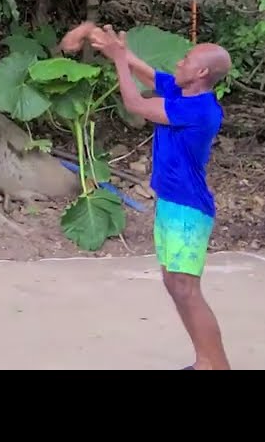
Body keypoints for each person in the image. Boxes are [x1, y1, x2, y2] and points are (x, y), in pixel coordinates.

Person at [89, 25, 232, 371]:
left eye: (186, 60)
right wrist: (118, 53)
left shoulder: (201, 110)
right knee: (174, 283)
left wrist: (120, 61)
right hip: (171, 203)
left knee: (186, 288)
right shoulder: (183, 93)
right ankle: (205, 362)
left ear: (201, 73)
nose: (178, 63)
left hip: (188, 208)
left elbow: (135, 102)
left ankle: (218, 366)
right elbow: (149, 73)